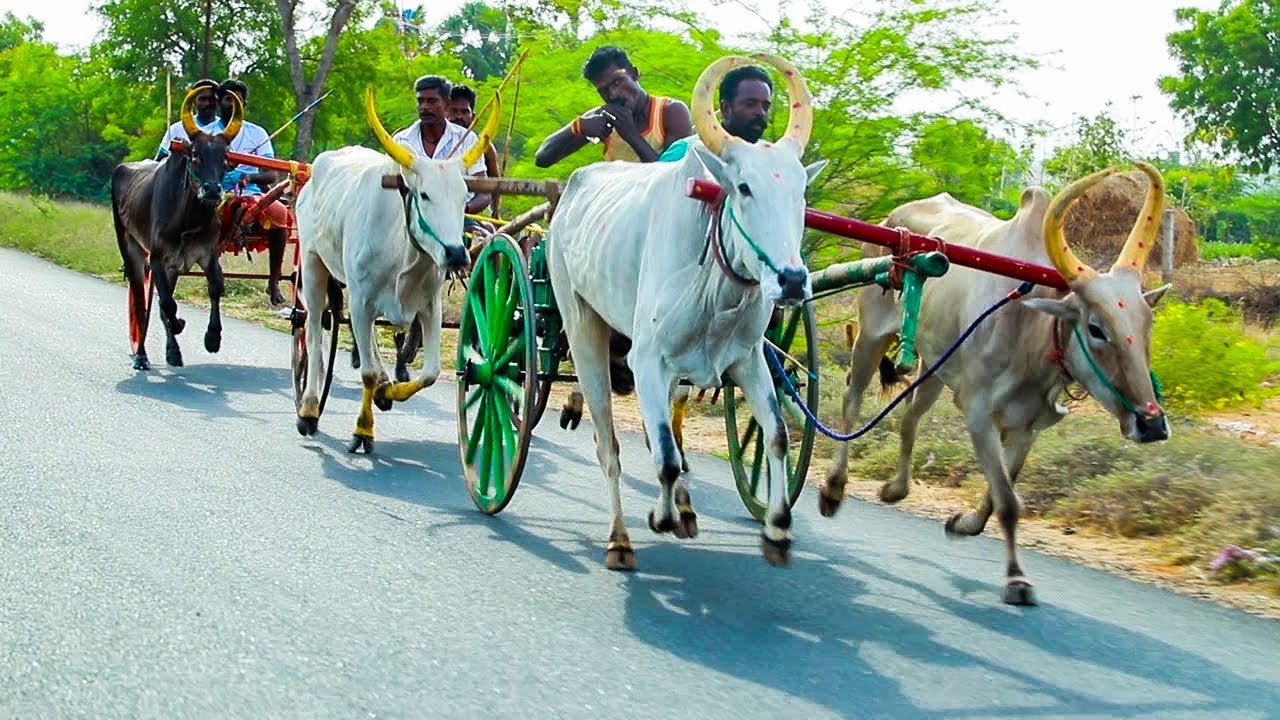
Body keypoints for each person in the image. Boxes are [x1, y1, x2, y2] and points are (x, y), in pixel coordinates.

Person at [533, 46, 693, 168]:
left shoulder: (671, 111)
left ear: (634, 73)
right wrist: (578, 126)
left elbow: (674, 179)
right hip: (615, 207)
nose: (613, 94)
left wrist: (631, 135)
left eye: (617, 82)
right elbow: (542, 159)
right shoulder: (604, 117)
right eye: (603, 90)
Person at [217, 79, 290, 306]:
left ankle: (273, 281)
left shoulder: (257, 134)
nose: (233, 104)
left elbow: (271, 177)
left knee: (279, 214)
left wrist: (249, 177)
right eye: (228, 99)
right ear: (219, 102)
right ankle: (212, 267)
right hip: (213, 191)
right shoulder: (205, 131)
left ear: (245, 104)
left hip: (250, 194)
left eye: (237, 99)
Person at [391, 74, 492, 215]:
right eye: (421, 101)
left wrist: (459, 211)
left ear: (447, 104)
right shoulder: (400, 141)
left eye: (432, 101)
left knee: (485, 233)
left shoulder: (468, 139)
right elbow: (388, 191)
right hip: (409, 220)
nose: (424, 107)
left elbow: (484, 194)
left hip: (458, 219)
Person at [658, 64, 773, 161]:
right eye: (750, 104)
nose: (761, 113)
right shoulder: (687, 151)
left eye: (765, 106)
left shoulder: (769, 158)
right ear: (726, 108)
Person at [155, 78, 223, 160]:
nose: (207, 103)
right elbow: (158, 162)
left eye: (212, 99)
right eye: (202, 99)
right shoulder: (176, 129)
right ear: (194, 101)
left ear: (218, 102)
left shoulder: (226, 130)